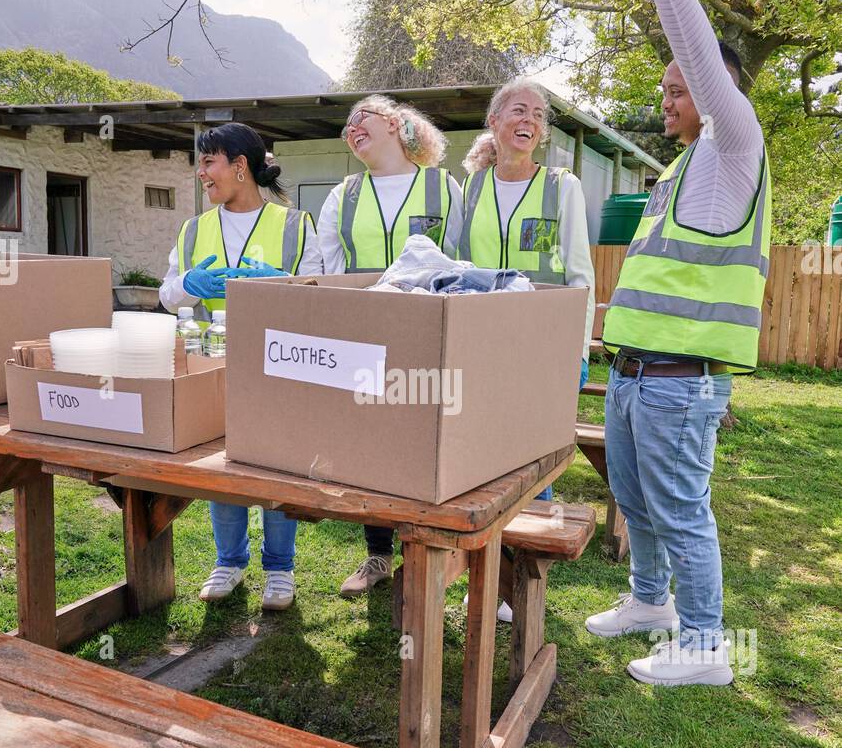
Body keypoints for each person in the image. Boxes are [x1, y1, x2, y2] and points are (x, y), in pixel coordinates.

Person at [585, 0, 771, 687]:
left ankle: (703, 646)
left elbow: (694, 48)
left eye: (677, 88)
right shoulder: (677, 169)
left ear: (716, 92)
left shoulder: (735, 147)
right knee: (639, 505)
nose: (666, 98)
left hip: (679, 382)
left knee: (680, 512)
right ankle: (649, 602)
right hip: (633, 374)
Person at [160, 122, 324, 611]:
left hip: (280, 367)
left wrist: (283, 283)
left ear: (239, 166)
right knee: (222, 466)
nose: (201, 174)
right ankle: (229, 561)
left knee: (278, 465)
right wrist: (191, 281)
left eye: (208, 162)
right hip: (213, 365)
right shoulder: (193, 228)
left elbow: (321, 294)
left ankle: (280, 568)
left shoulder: (295, 225)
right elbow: (169, 296)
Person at [459, 76, 595, 621]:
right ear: (494, 122)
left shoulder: (562, 187)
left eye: (540, 115)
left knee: (534, 469)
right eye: (520, 110)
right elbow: (452, 269)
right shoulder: (467, 188)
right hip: (480, 348)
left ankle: (517, 584)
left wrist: (577, 350)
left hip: (542, 350)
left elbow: (580, 274)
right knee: (480, 467)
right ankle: (483, 581)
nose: (531, 121)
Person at [317, 95, 464, 596]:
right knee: (370, 446)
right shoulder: (343, 194)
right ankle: (379, 555)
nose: (351, 127)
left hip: (428, 333)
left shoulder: (444, 187)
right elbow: (325, 268)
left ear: (397, 125)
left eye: (362, 117)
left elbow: (463, 261)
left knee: (427, 440)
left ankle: (427, 558)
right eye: (347, 124)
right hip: (363, 336)